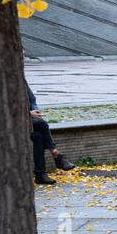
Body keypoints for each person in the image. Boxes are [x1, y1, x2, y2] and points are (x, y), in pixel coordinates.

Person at [25, 57, 75, 186]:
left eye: (24, 56)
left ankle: (41, 174)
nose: (23, 59)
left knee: (38, 137)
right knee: (42, 124)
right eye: (20, 56)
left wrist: (35, 113)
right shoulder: (7, 75)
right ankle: (56, 155)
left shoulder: (20, 76)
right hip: (11, 123)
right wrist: (28, 113)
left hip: (27, 123)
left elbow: (32, 100)